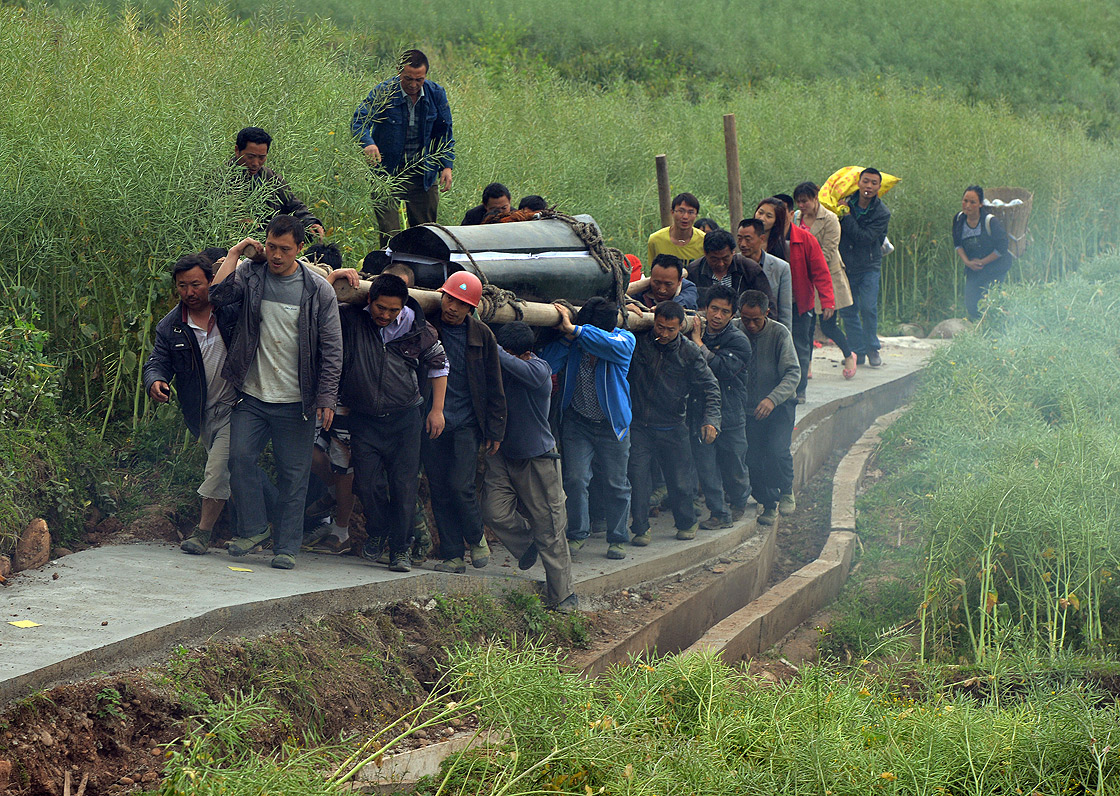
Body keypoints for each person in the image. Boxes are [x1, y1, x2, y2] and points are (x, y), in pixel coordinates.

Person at [209, 215, 342, 569]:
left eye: (285, 249)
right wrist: (236, 252)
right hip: (251, 395)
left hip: (296, 401)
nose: (276, 255)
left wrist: (326, 397)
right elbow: (218, 296)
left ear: (300, 249)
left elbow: (332, 348)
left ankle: (286, 547)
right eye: (271, 247)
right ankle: (253, 528)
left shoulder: (317, 290)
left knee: (293, 476)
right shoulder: (252, 276)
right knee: (239, 459)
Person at [337, 273, 448, 572]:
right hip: (364, 418)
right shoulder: (352, 319)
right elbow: (323, 302)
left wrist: (437, 410)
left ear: (403, 308)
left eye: (392, 310)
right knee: (366, 482)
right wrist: (335, 277)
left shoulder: (419, 329)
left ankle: (401, 550)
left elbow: (440, 366)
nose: (385, 315)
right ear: (369, 300)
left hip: (405, 419)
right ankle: (378, 530)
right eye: (380, 308)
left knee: (403, 487)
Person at [143, 253, 241, 555]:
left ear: (211, 281)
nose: (190, 293)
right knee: (240, 470)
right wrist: (155, 381)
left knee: (218, 467)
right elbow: (157, 361)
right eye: (182, 286)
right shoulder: (171, 326)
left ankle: (202, 533)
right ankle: (264, 520)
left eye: (196, 284)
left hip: (238, 405)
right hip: (202, 413)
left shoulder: (230, 311)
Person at [482, 322, 577, 609]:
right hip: (502, 454)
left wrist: (489, 343)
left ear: (523, 353)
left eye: (509, 353)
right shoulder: (504, 367)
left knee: (549, 528)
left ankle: (564, 596)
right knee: (493, 512)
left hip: (538, 459)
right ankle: (527, 543)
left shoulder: (539, 370)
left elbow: (510, 363)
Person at [423, 271, 506, 573]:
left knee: (461, 485)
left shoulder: (482, 335)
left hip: (466, 423)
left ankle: (475, 536)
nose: (452, 307)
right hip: (432, 421)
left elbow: (494, 384)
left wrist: (495, 428)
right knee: (439, 488)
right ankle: (453, 555)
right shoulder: (428, 327)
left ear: (471, 308)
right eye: (449, 299)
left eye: (460, 303)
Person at [542, 298, 635, 561]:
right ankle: (577, 534)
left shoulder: (623, 340)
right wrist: (568, 338)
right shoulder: (576, 343)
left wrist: (575, 329)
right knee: (575, 479)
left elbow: (607, 343)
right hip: (578, 422)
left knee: (617, 483)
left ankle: (617, 538)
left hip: (612, 426)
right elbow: (547, 364)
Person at [627, 301, 721, 545]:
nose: (664, 334)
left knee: (680, 481)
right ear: (653, 321)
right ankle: (640, 528)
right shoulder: (639, 341)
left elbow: (711, 387)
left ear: (681, 327)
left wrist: (711, 420)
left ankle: (687, 522)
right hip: (639, 425)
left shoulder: (689, 352)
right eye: (659, 327)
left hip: (673, 425)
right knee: (637, 478)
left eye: (671, 329)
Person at [351, 49, 455, 244]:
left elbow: (445, 132)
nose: (414, 85)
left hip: (423, 174)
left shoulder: (436, 94)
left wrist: (446, 165)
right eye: (408, 79)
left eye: (419, 79)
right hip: (387, 173)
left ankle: (421, 272)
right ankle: (391, 272)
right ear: (399, 71)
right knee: (390, 234)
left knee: (426, 234)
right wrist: (368, 143)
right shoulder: (383, 92)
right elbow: (359, 120)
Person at [757, 197, 834, 404]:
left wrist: (827, 300)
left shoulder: (804, 239)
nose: (762, 218)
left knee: (799, 346)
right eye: (760, 213)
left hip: (797, 302)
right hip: (762, 305)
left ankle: (799, 389)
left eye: (769, 215)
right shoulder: (755, 238)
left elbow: (820, 271)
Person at [688, 285, 752, 528]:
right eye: (714, 309)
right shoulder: (693, 325)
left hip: (731, 411)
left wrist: (697, 343)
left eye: (725, 312)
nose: (717, 316)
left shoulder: (738, 341)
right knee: (706, 465)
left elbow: (722, 369)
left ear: (732, 315)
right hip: (701, 408)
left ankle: (738, 500)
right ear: (705, 308)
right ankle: (718, 513)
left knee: (733, 460)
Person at [737, 290, 800, 527]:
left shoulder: (779, 333)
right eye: (745, 319)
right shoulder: (734, 330)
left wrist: (772, 399)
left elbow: (793, 373)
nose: (751, 325)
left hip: (780, 405)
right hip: (748, 408)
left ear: (767, 313)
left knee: (776, 450)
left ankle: (786, 489)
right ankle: (768, 503)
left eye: (756, 319)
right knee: (752, 457)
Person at [794, 181, 857, 380]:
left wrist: (806, 262)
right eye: (798, 202)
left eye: (805, 201)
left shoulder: (830, 219)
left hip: (827, 275)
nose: (801, 206)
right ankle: (807, 364)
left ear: (815, 198)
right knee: (807, 326)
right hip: (804, 278)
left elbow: (828, 251)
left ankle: (849, 355)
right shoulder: (796, 217)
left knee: (829, 324)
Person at [227, 127, 324, 240]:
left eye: (261, 157)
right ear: (237, 151)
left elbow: (294, 205)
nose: (255, 163)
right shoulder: (220, 179)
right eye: (250, 157)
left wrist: (310, 222)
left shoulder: (270, 177)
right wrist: (237, 219)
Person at [838, 168, 891, 367]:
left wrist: (848, 216)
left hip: (869, 265)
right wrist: (842, 211)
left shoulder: (882, 212)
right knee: (848, 310)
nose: (869, 186)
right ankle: (857, 352)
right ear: (858, 183)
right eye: (865, 181)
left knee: (868, 308)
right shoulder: (843, 202)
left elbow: (864, 238)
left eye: (874, 183)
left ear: (879, 186)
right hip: (845, 264)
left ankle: (872, 348)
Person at [953, 185, 1010, 320]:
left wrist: (982, 262)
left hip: (995, 268)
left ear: (980, 204)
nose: (967, 205)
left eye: (972, 202)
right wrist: (967, 262)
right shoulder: (959, 220)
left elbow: (1002, 247)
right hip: (973, 268)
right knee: (972, 305)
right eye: (965, 200)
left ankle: (994, 332)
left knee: (990, 303)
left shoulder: (990, 222)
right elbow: (957, 244)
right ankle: (979, 332)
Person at [689, 228, 775, 307]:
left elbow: (768, 304)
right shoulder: (694, 271)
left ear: (733, 252)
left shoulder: (750, 269)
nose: (721, 264)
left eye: (725, 258)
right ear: (705, 253)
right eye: (714, 259)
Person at [737, 218, 792, 329]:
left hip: (768, 328)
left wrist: (785, 337)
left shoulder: (781, 268)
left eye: (748, 239)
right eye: (739, 239)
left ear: (762, 239)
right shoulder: (734, 264)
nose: (742, 244)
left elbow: (785, 310)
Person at [647, 192, 706, 266]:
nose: (685, 217)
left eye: (690, 212)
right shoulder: (655, 240)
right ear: (672, 212)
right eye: (681, 211)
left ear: (696, 215)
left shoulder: (704, 241)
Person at [626, 254, 698, 311]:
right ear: (651, 276)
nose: (662, 290)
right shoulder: (641, 289)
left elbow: (687, 301)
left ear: (679, 281)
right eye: (657, 283)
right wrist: (626, 306)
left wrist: (666, 309)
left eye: (668, 284)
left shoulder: (688, 288)